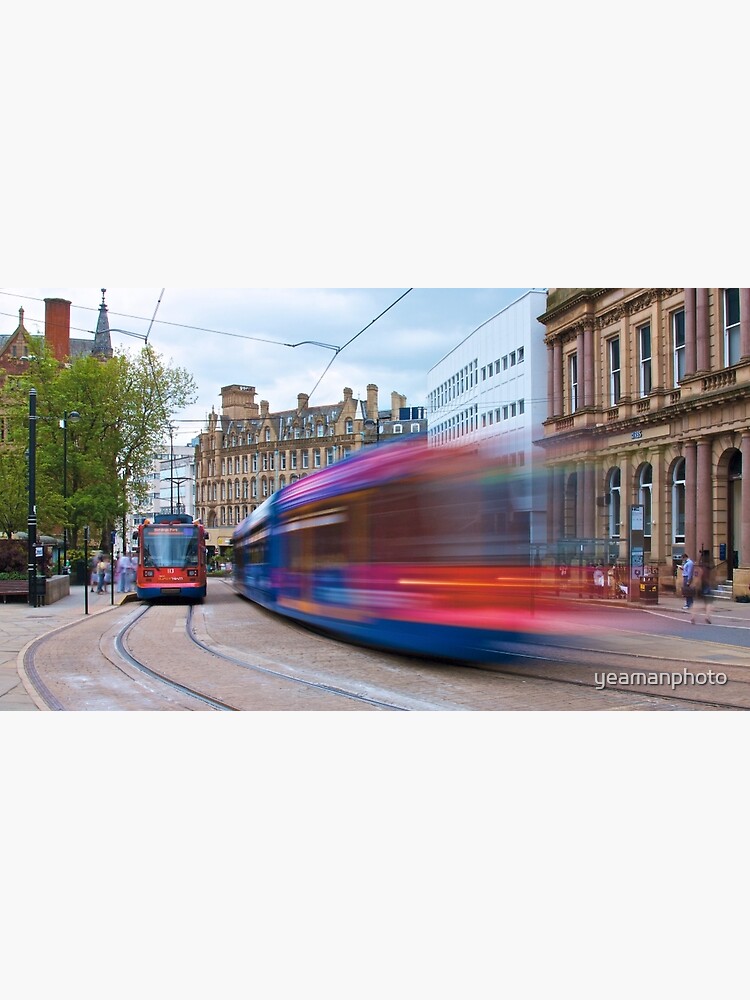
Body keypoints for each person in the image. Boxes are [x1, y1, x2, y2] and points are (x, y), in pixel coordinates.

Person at [692, 550, 715, 624]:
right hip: (706, 585)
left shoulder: (699, 568)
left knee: (696, 602)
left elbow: (697, 577)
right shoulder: (708, 567)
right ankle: (707, 617)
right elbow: (712, 577)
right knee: (709, 603)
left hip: (700, 586)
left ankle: (693, 617)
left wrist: (694, 584)